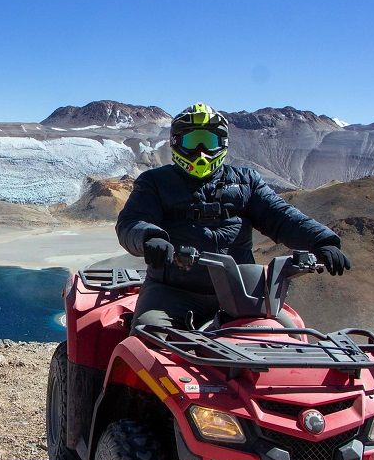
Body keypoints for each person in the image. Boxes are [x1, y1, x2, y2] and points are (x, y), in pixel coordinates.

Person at [116, 102, 350, 331]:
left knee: (289, 339)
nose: (201, 151)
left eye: (209, 142)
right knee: (149, 337)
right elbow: (131, 221)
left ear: (223, 144)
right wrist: (149, 238)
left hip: (242, 292)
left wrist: (321, 241)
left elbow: (281, 216)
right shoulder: (155, 182)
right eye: (192, 141)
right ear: (176, 143)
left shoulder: (246, 181)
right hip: (172, 293)